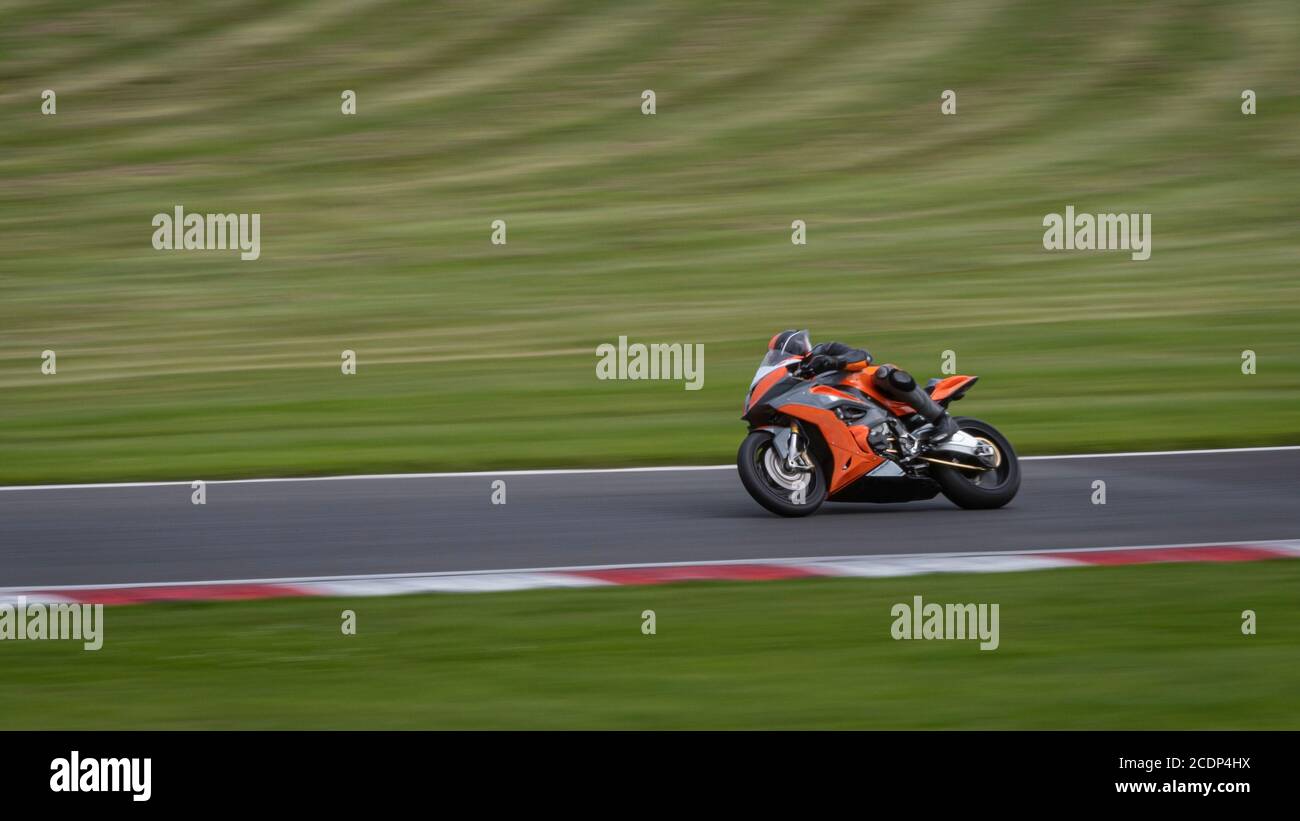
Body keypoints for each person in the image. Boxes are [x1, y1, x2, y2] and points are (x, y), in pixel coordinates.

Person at [767, 329, 959, 442]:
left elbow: (863, 356)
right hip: (840, 414)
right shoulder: (793, 375)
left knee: (885, 372)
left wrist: (833, 362)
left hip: (871, 394)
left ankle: (942, 420)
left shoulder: (825, 350)